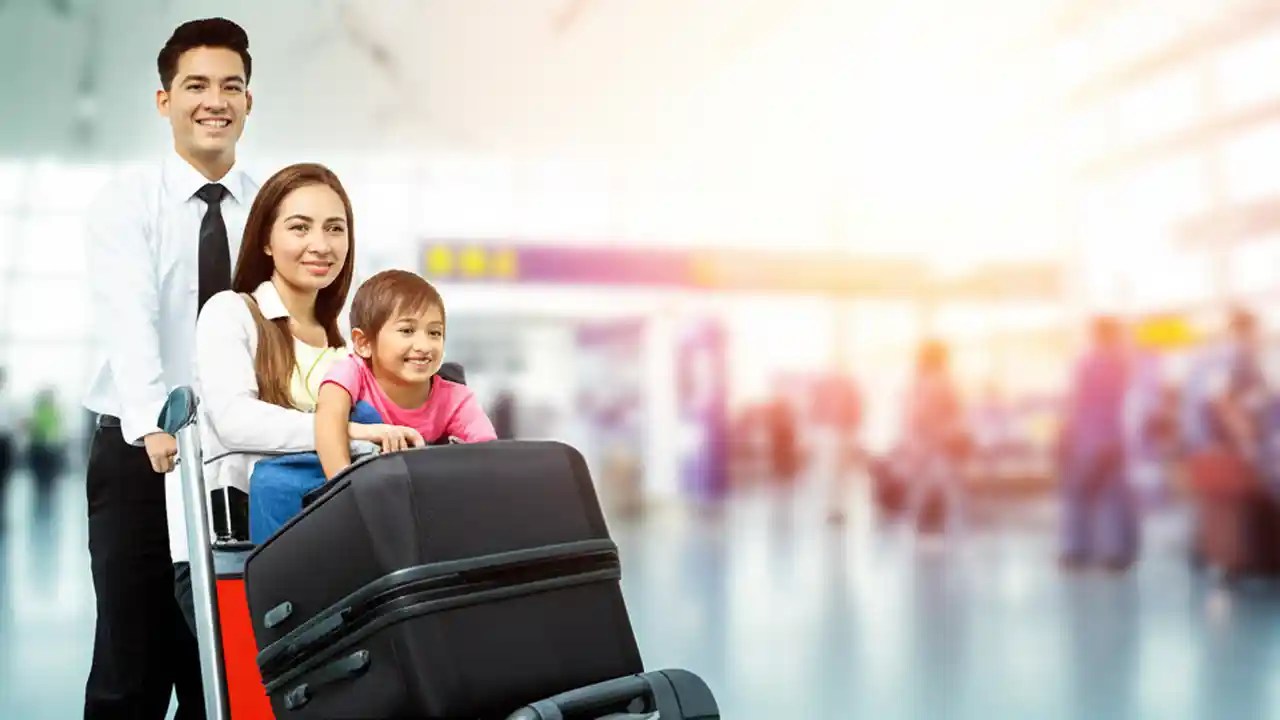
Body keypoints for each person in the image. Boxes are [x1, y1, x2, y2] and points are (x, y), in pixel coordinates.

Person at [81, 18, 256, 718]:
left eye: (231, 86)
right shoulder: (128, 201)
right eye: (196, 85)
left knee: (217, 659)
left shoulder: (271, 205)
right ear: (165, 101)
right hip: (140, 453)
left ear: (248, 101)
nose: (215, 100)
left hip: (237, 453)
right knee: (133, 659)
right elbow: (129, 323)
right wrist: (160, 425)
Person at [316, 270, 497, 479]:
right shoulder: (350, 372)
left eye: (434, 333)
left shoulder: (455, 398)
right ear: (364, 344)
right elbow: (327, 427)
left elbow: (489, 456)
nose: (424, 346)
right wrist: (345, 495)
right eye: (407, 331)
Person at [1058, 317, 1137, 571]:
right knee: (1112, 495)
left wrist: (1067, 436)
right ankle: (1115, 553)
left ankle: (1075, 551)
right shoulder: (1121, 363)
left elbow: (1074, 402)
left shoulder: (1085, 364)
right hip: (1112, 436)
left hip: (1085, 438)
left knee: (1078, 495)